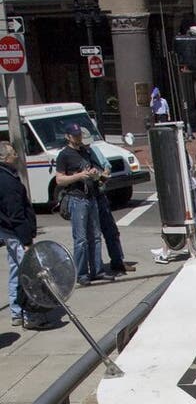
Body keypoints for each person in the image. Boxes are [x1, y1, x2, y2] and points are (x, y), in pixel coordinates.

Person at [53, 122, 105, 285]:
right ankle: (81, 274)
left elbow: (96, 169)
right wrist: (79, 176)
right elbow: (59, 179)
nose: (78, 138)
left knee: (95, 236)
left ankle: (97, 270)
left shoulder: (85, 151)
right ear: (68, 137)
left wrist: (95, 173)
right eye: (75, 135)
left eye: (79, 135)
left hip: (91, 197)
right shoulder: (64, 155)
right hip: (77, 199)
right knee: (81, 239)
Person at [79, 128, 135, 277]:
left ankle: (117, 260)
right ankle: (95, 267)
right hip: (87, 197)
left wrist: (104, 174)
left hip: (99, 194)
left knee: (111, 230)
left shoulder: (93, 150)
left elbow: (106, 165)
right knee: (92, 235)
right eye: (84, 143)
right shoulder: (76, 155)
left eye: (88, 143)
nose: (87, 146)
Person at [0, 140, 37, 327]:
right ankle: (29, 315)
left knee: (16, 271)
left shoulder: (6, 176)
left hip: (8, 232)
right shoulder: (7, 181)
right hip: (16, 233)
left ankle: (16, 312)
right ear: (5, 158)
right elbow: (16, 214)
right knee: (27, 273)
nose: (16, 155)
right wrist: (27, 240)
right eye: (13, 153)